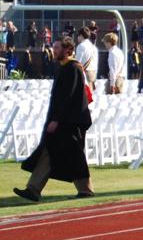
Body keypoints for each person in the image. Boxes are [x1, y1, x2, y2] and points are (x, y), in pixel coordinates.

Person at [12, 36, 95, 202]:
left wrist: (56, 120)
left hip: (69, 121)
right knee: (50, 152)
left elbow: (68, 98)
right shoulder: (64, 68)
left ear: (68, 50)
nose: (54, 50)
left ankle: (85, 189)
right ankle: (33, 189)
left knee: (73, 155)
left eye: (57, 48)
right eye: (54, 47)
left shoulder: (73, 69)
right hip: (63, 120)